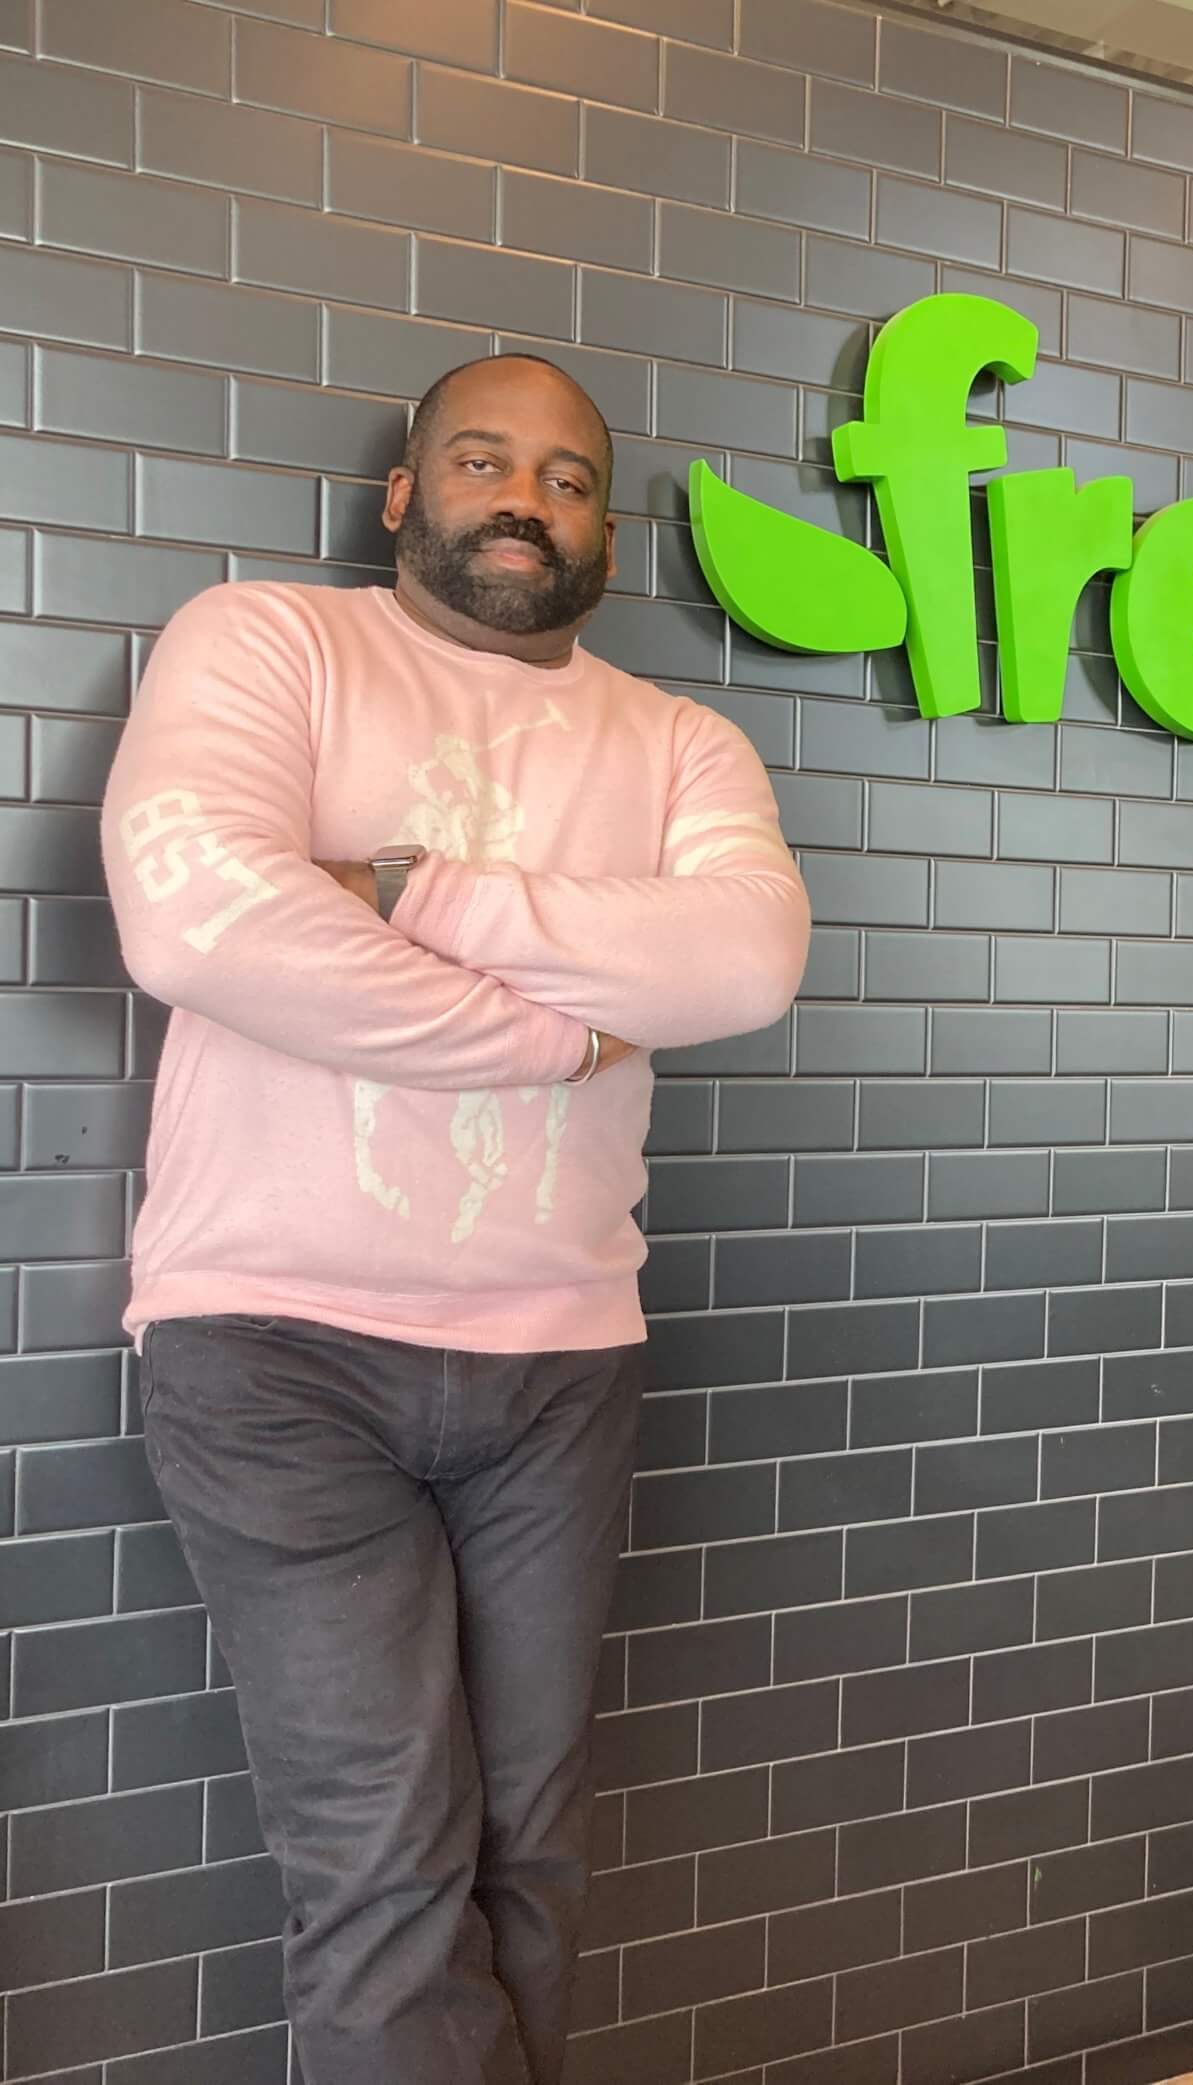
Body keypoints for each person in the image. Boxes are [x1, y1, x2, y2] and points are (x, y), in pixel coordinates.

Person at [100, 354, 812, 2085]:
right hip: (276, 1350)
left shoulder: (683, 742)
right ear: (404, 493)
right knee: (385, 1865)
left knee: (527, 1859)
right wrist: (563, 1030)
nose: (527, 499)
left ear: (606, 532)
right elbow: (197, 923)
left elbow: (744, 959)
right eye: (484, 460)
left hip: (562, 1365)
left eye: (569, 479)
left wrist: (406, 888)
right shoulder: (266, 644)